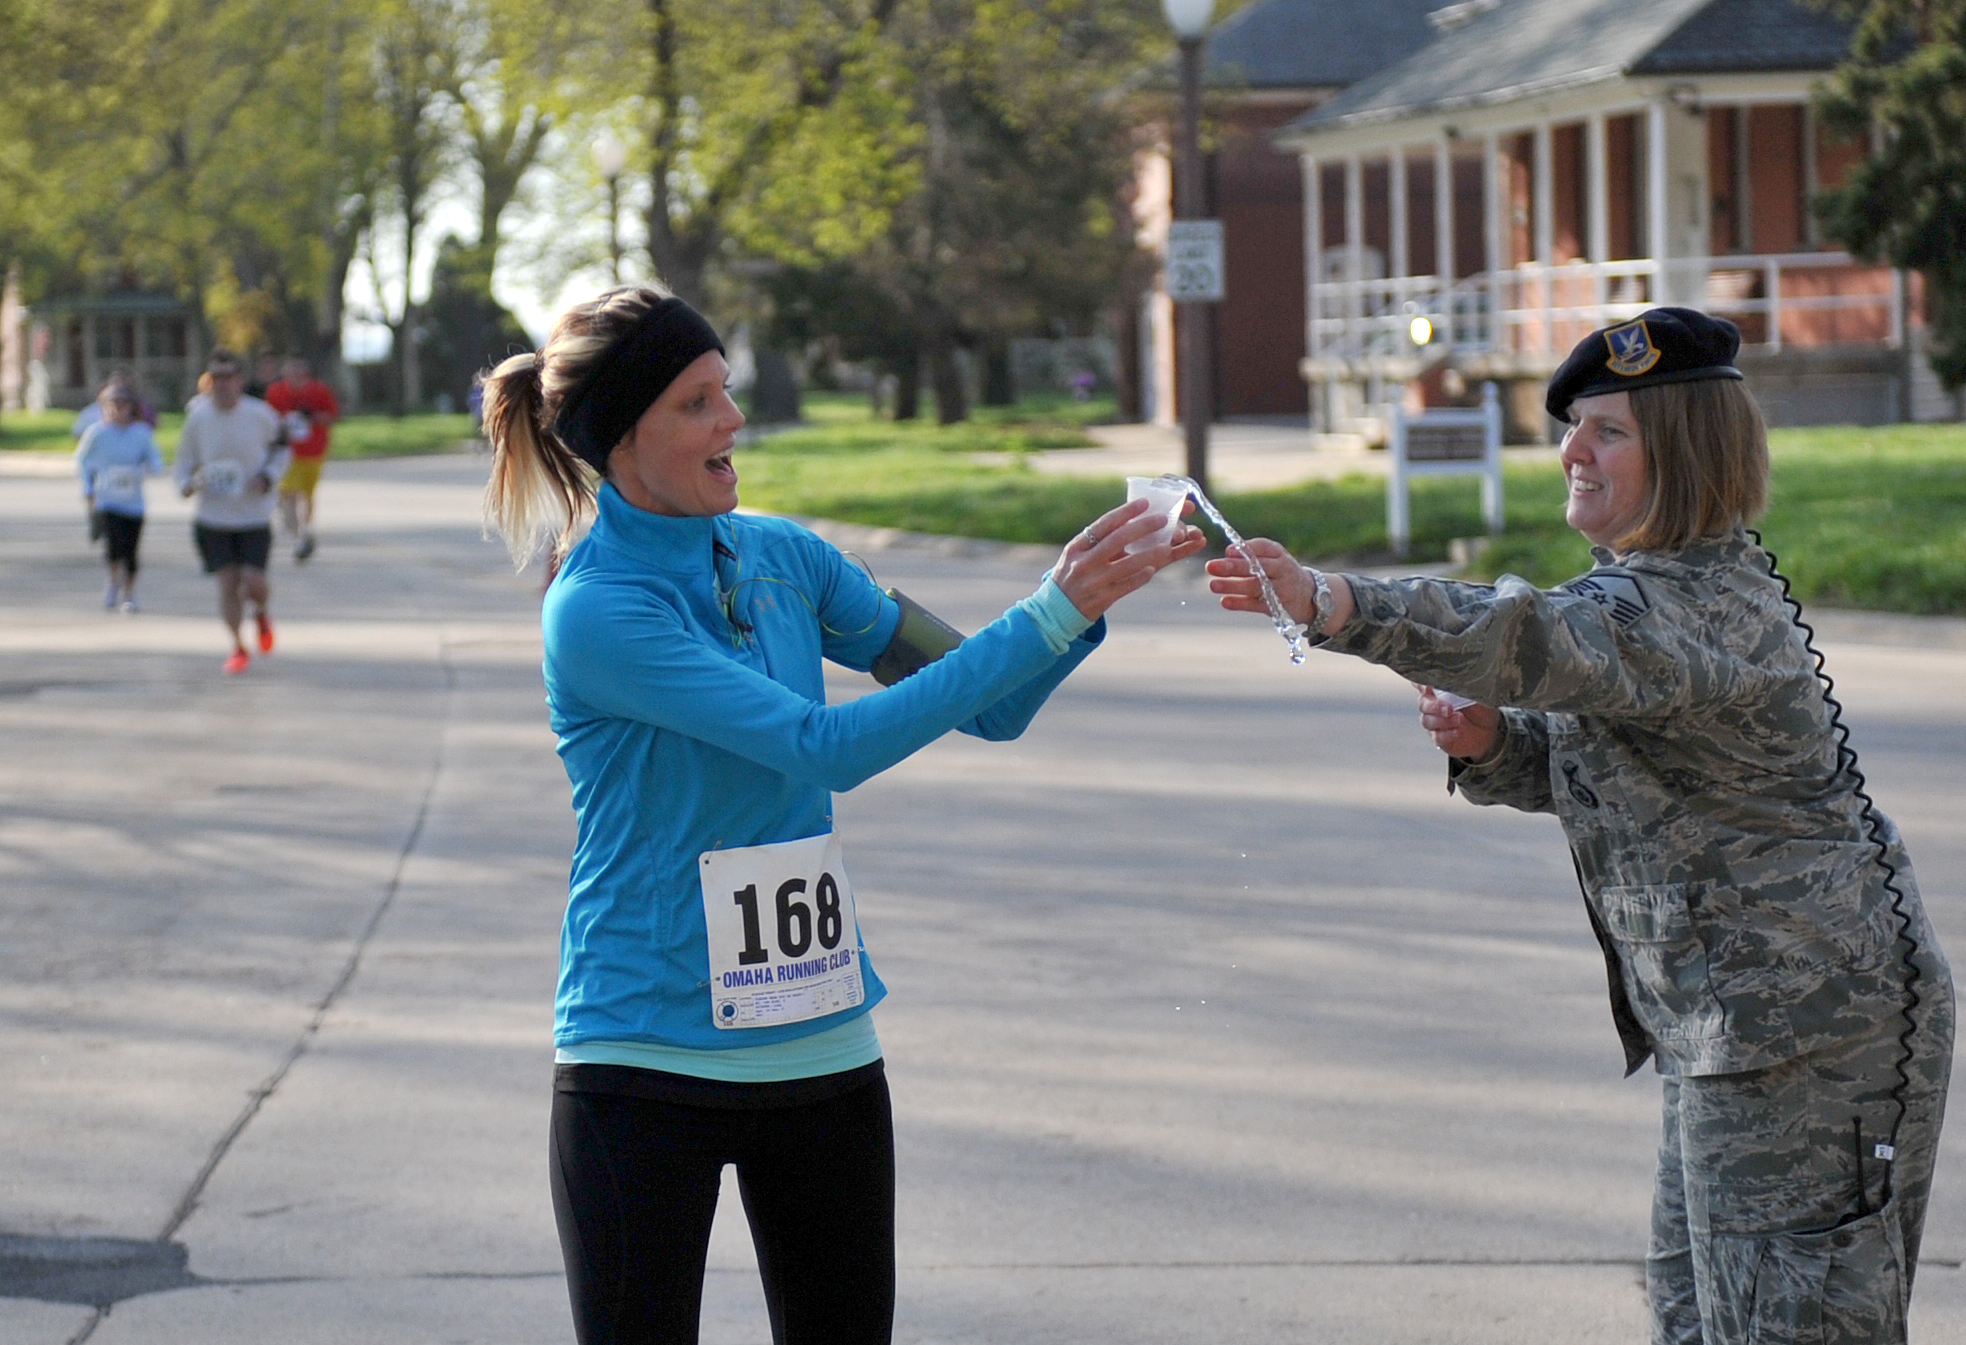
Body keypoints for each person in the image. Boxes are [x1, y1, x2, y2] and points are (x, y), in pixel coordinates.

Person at [1207, 308, 1953, 1345]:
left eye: (1606, 432)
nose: (1570, 453)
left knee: (1792, 1326)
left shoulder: (1687, 606)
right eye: (1571, 429)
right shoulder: (1652, 594)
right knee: (1697, 1316)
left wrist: (1332, 600)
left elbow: (1527, 636)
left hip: (1805, 1031)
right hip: (1733, 1021)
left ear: (1684, 451)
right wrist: (1491, 744)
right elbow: (1613, 763)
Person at [478, 283, 1201, 1345]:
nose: (733, 421)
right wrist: (1043, 611)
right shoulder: (598, 608)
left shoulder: (785, 557)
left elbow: (990, 702)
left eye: (725, 390)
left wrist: (1073, 612)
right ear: (623, 436)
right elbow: (828, 746)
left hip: (819, 1047)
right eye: (697, 402)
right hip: (642, 1060)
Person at [175, 349, 290, 675]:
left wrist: (268, 477)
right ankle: (239, 646)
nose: (223, 384)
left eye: (229, 377)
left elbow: (282, 449)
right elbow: (184, 460)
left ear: (240, 381)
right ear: (209, 381)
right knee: (227, 584)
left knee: (253, 580)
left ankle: (262, 612)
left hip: (253, 516)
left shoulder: (261, 414)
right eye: (217, 378)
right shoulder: (198, 418)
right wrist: (186, 483)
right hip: (213, 517)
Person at [75, 380, 165, 612]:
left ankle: (130, 591)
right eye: (112, 405)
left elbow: (156, 460)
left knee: (131, 551)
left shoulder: (141, 433)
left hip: (134, 502)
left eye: (122, 405)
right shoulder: (97, 433)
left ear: (131, 408)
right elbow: (82, 460)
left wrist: (149, 467)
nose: (117, 410)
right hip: (108, 499)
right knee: (113, 546)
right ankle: (112, 581)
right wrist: (88, 486)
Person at [266, 354, 341, 560]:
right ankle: (298, 536)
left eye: (300, 369)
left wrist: (313, 416)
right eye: (292, 369)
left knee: (307, 495)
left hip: (314, 451)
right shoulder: (276, 391)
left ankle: (306, 530)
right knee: (289, 494)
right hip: (287, 452)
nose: (296, 374)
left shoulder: (319, 390)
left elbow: (333, 416)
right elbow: (268, 420)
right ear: (285, 371)